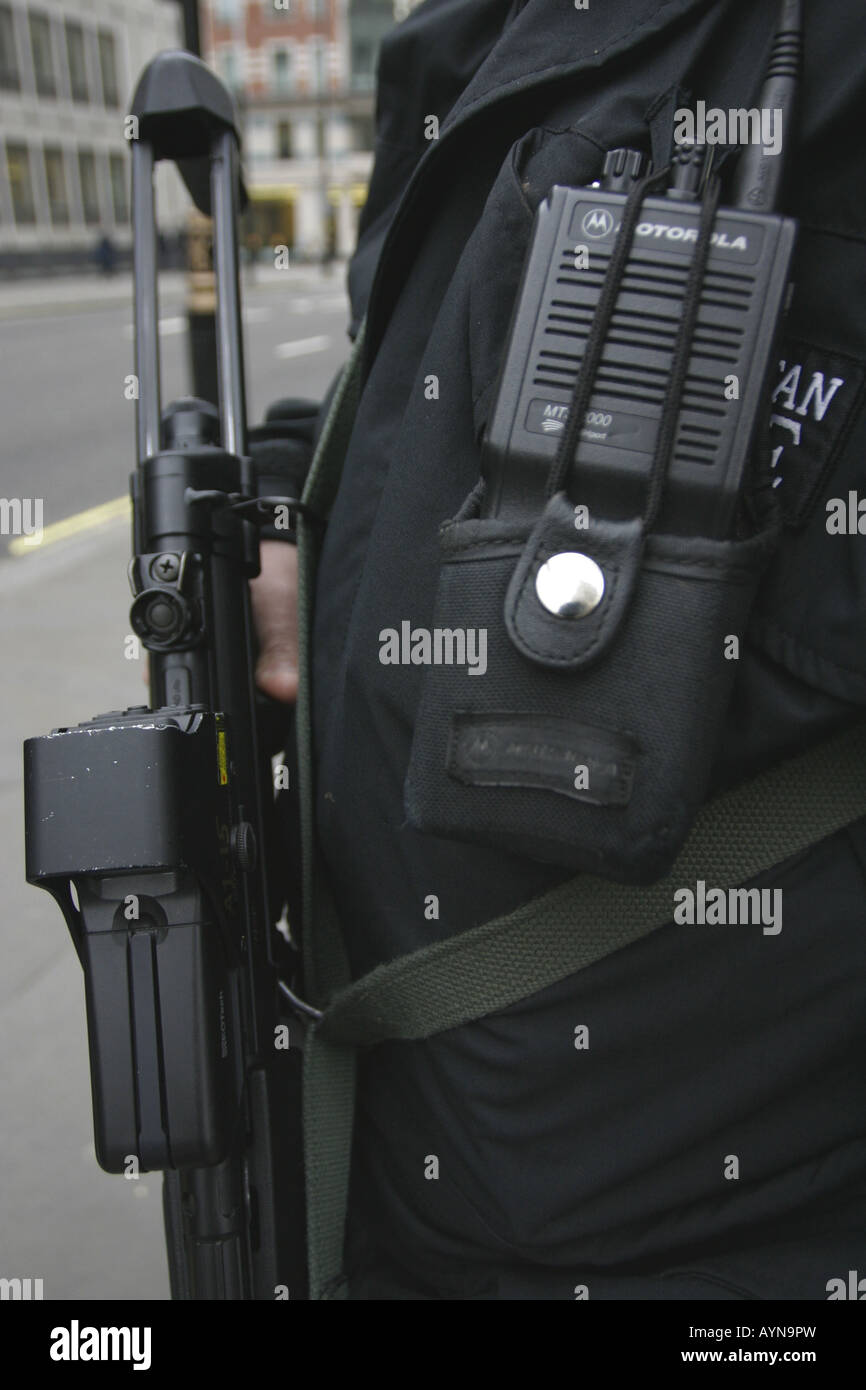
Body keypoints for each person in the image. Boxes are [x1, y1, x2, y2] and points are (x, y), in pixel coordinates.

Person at [249, 0, 866, 1300]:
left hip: (713, 1246)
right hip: (399, 1167)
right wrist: (286, 506)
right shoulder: (473, 37)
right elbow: (427, 361)